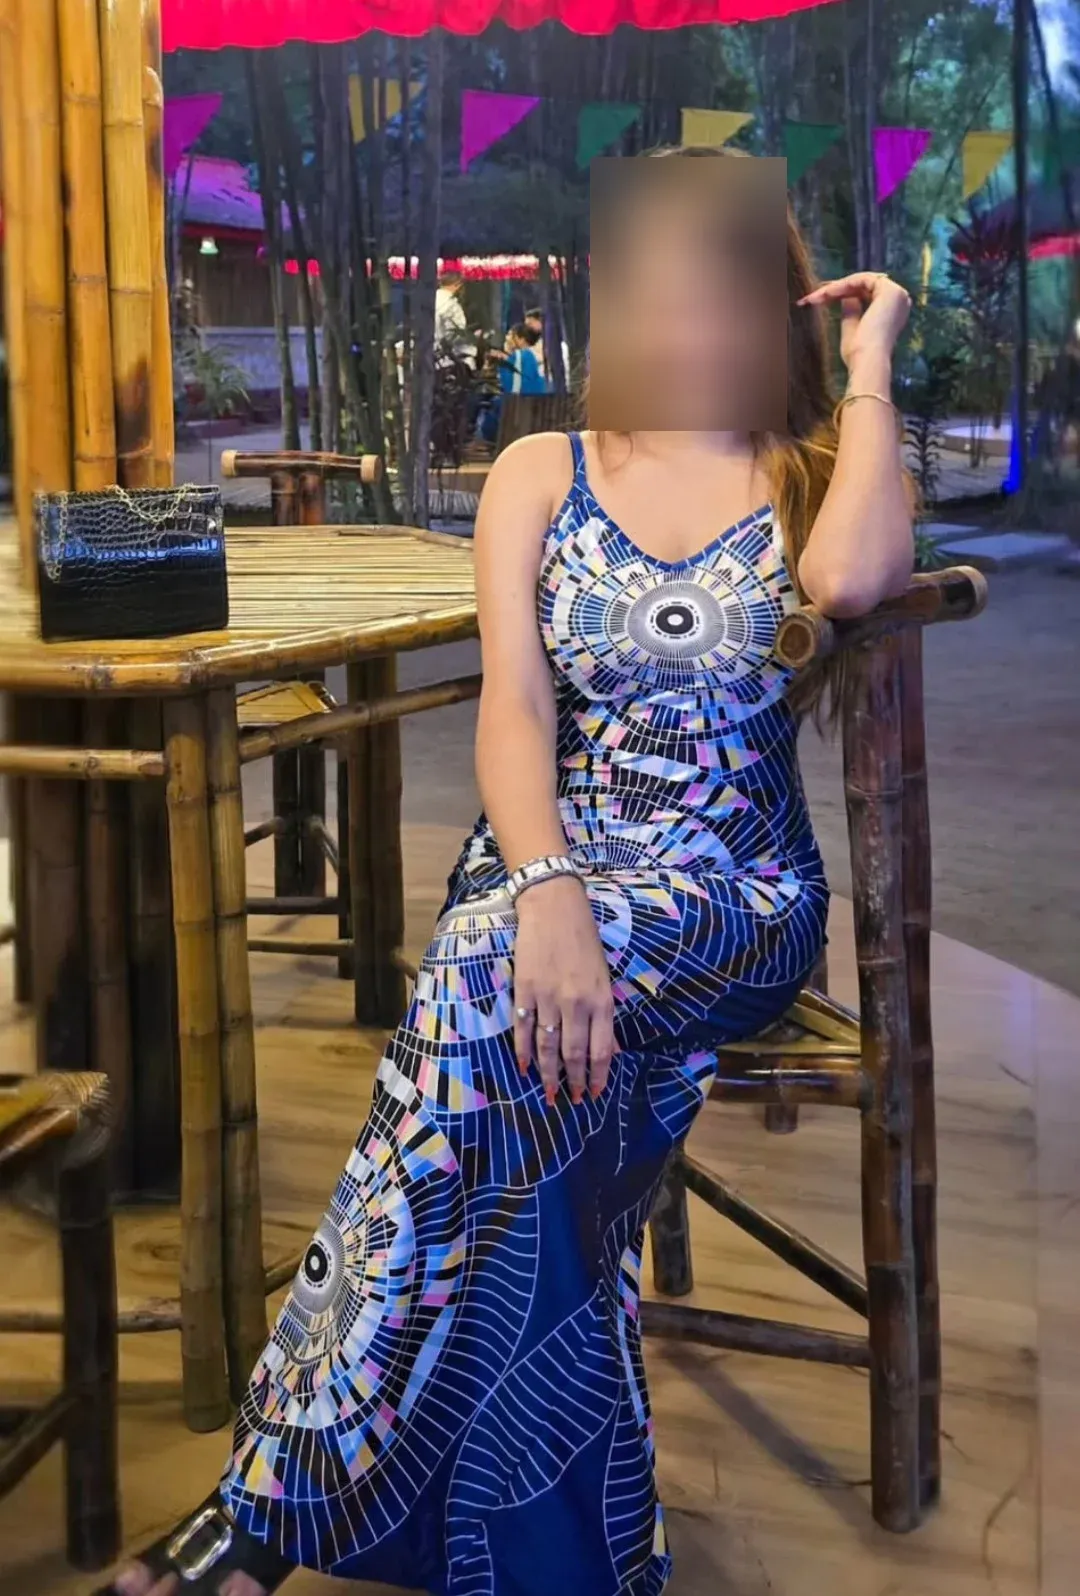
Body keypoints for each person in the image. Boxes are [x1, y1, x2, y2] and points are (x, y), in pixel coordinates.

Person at [98, 146, 914, 1596]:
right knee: (523, 1075)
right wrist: (548, 893)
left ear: (768, 305)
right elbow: (516, 712)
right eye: (651, 295)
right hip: (546, 865)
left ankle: (265, 1513)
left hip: (732, 890)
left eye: (714, 296)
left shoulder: (803, 472)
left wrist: (872, 360)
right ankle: (555, 1557)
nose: (681, 327)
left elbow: (854, 583)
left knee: (475, 992)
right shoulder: (547, 470)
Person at [435, 269, 477, 364]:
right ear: (457, 285)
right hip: (448, 357)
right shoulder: (451, 305)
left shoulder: (430, 299)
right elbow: (458, 331)